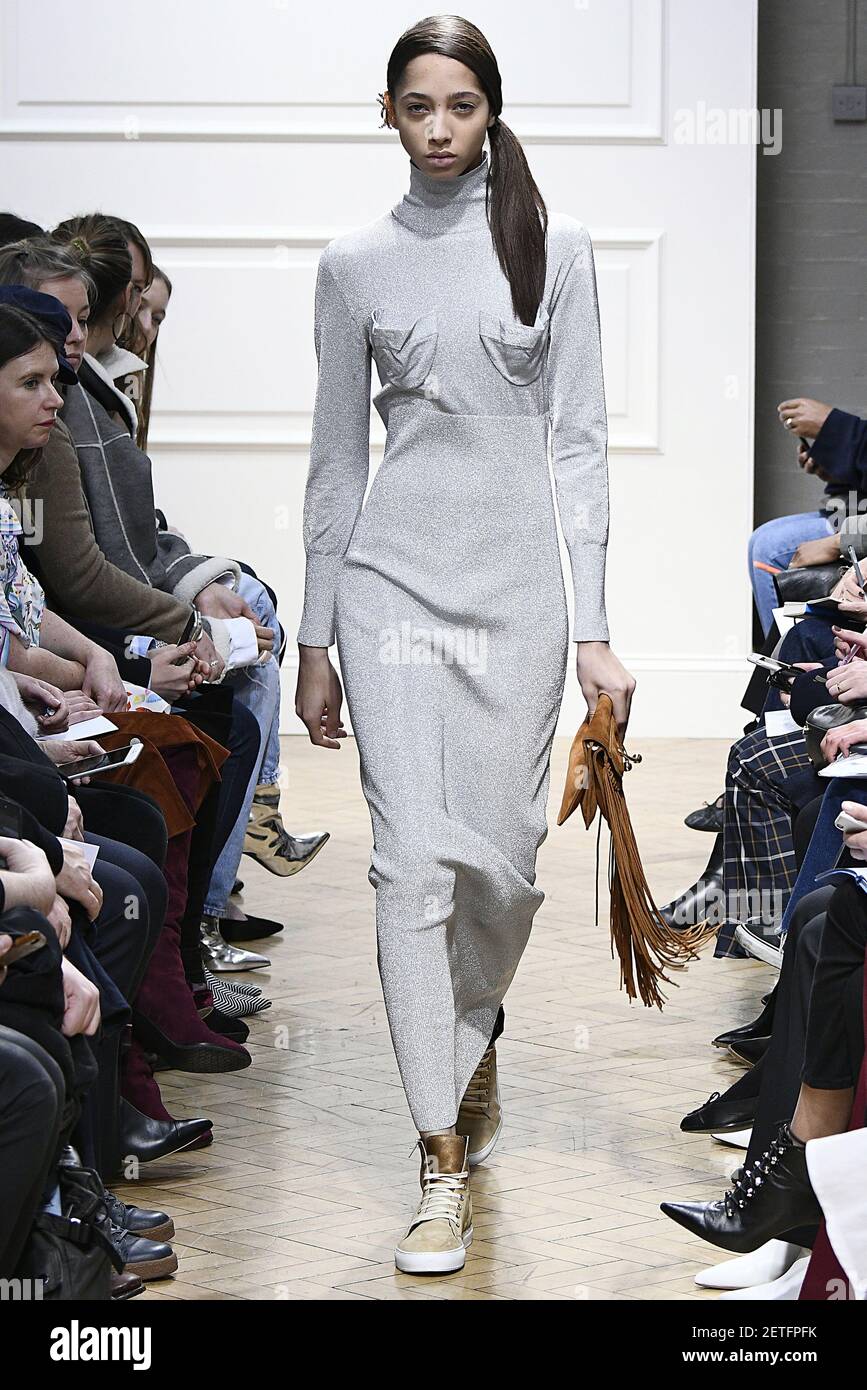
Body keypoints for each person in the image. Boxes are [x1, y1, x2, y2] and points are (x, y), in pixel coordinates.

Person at [293, 15, 635, 1276]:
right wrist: (317, 634)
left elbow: (582, 443)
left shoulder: (558, 245)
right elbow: (336, 461)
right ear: (387, 112)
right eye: (418, 106)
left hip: (519, 604)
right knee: (408, 869)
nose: (440, 129)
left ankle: (469, 1033)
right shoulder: (353, 263)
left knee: (501, 872)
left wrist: (594, 625)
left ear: (491, 112)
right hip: (391, 591)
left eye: (462, 107)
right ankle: (437, 1157)